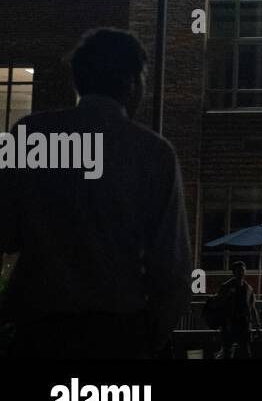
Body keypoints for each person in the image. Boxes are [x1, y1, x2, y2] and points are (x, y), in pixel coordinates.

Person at [0, 29, 191, 359]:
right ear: (131, 82)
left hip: (40, 328)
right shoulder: (153, 152)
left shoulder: (29, 135)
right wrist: (154, 334)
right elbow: (171, 264)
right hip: (119, 329)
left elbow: (5, 233)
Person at [215, 261, 258, 359]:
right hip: (229, 323)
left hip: (243, 324)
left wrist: (256, 323)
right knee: (228, 351)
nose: (241, 273)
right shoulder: (227, 287)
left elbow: (252, 307)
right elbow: (219, 303)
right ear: (234, 272)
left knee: (244, 351)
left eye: (242, 270)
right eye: (239, 271)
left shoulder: (248, 289)